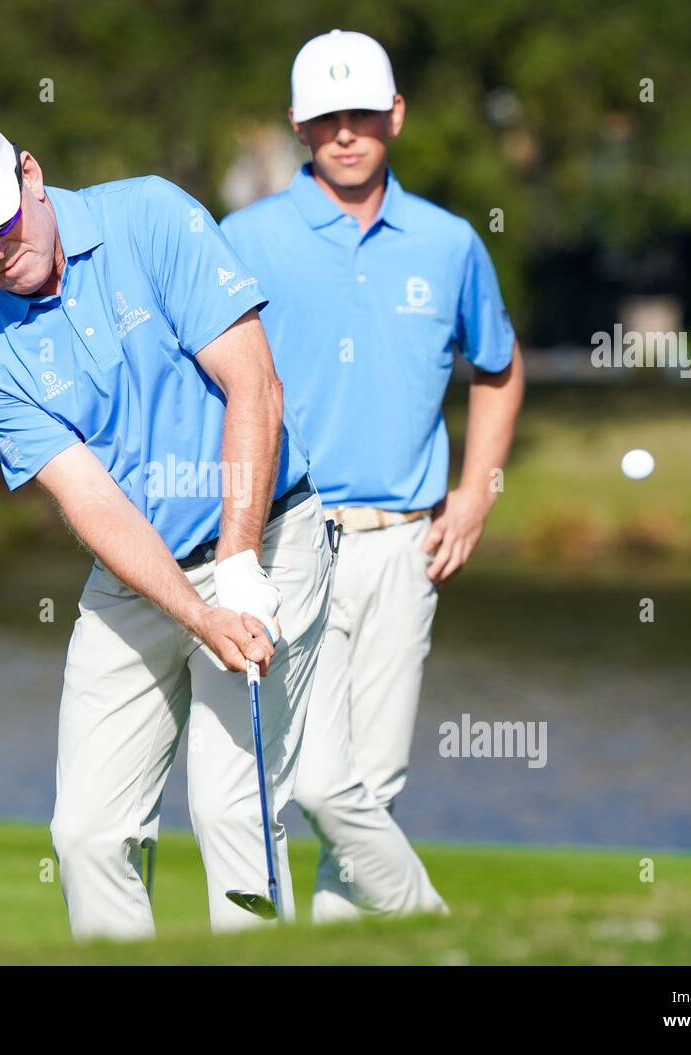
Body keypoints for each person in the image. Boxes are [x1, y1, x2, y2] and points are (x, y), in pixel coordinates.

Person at [0, 116, 333, 939]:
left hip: (268, 533)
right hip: (140, 573)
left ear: (31, 172)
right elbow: (93, 502)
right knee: (88, 833)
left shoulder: (149, 216)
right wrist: (197, 611)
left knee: (232, 811)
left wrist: (238, 564)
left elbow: (255, 387)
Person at [221, 30, 525, 922]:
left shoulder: (450, 242)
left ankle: (350, 944)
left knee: (373, 791)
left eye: (362, 116)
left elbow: (498, 367)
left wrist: (476, 493)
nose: (345, 135)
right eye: (325, 120)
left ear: (395, 115)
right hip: (287, 542)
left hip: (405, 545)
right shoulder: (247, 237)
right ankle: (435, 925)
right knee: (313, 780)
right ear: (297, 125)